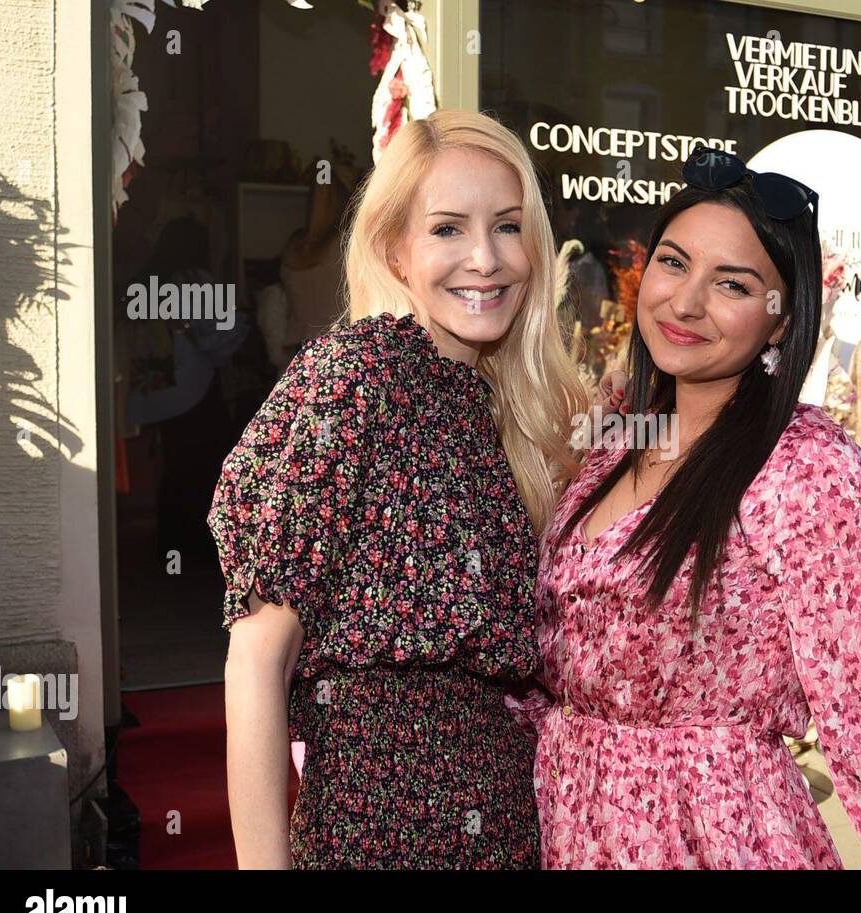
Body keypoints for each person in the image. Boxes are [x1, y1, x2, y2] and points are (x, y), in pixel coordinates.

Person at [507, 148, 861, 869]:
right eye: (673, 263)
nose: (685, 301)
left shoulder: (806, 467)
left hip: (706, 838)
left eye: (732, 283)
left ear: (781, 322)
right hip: (567, 821)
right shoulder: (617, 434)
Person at [208, 109, 586, 868]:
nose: (485, 257)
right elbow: (255, 657)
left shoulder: (502, 411)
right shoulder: (353, 381)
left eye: (508, 227)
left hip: (506, 826)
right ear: (396, 249)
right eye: (448, 228)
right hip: (377, 836)